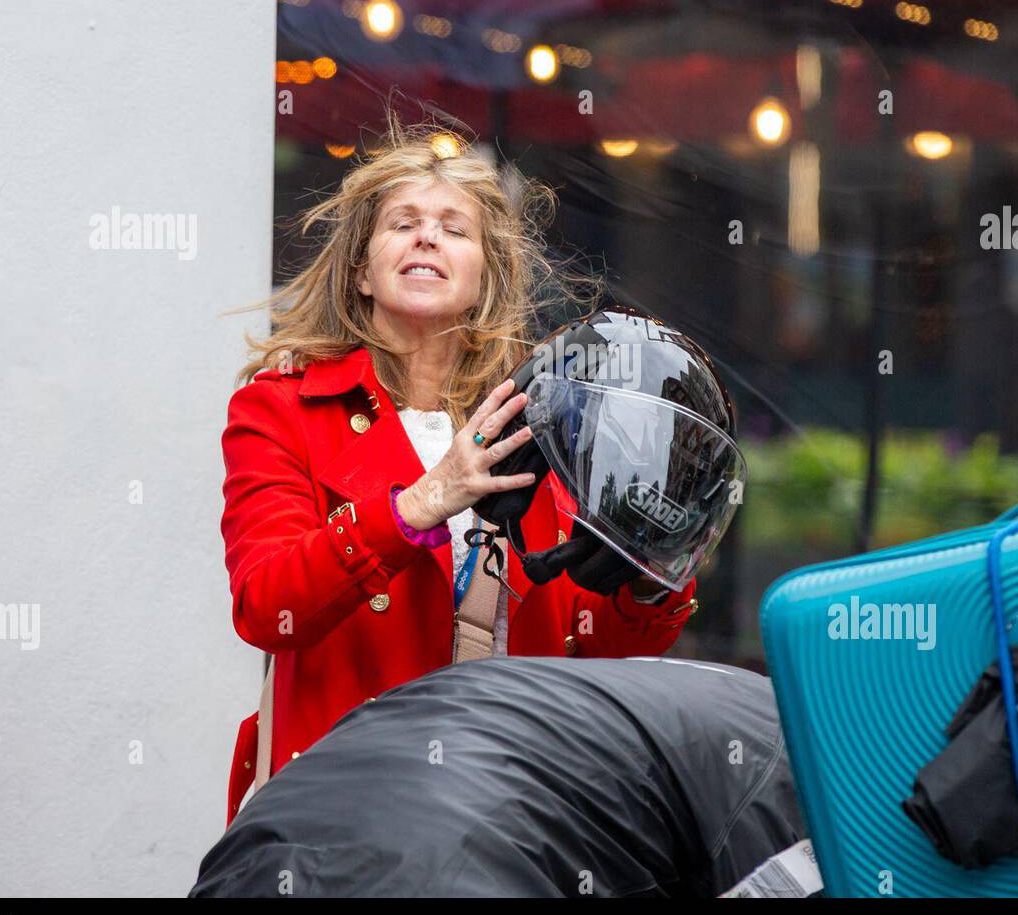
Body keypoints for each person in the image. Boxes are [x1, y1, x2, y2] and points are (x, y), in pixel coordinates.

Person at [218, 119, 699, 827]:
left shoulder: (542, 421)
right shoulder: (281, 408)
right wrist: (418, 503)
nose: (427, 237)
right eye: (402, 223)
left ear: (483, 278)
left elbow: (591, 646)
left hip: (514, 812)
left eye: (454, 228)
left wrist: (656, 564)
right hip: (346, 812)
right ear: (361, 270)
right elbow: (267, 606)